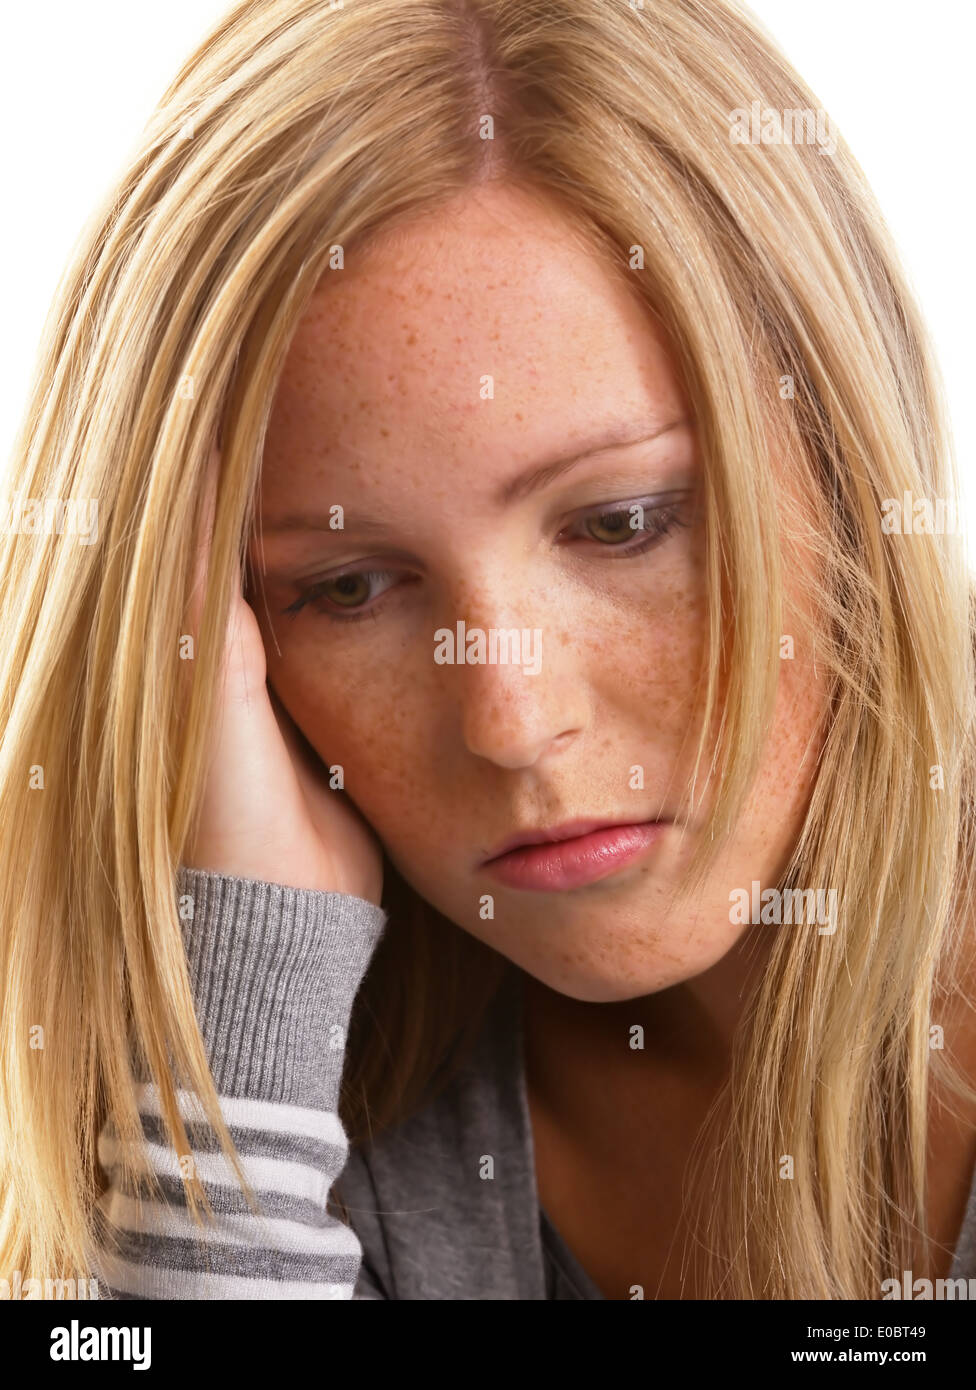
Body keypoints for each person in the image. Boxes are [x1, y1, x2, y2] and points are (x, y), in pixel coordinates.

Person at [1, 0, 974, 1301]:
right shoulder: (301, 1092)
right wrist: (229, 1090)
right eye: (347, 586)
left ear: (852, 466)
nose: (511, 722)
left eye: (622, 522)